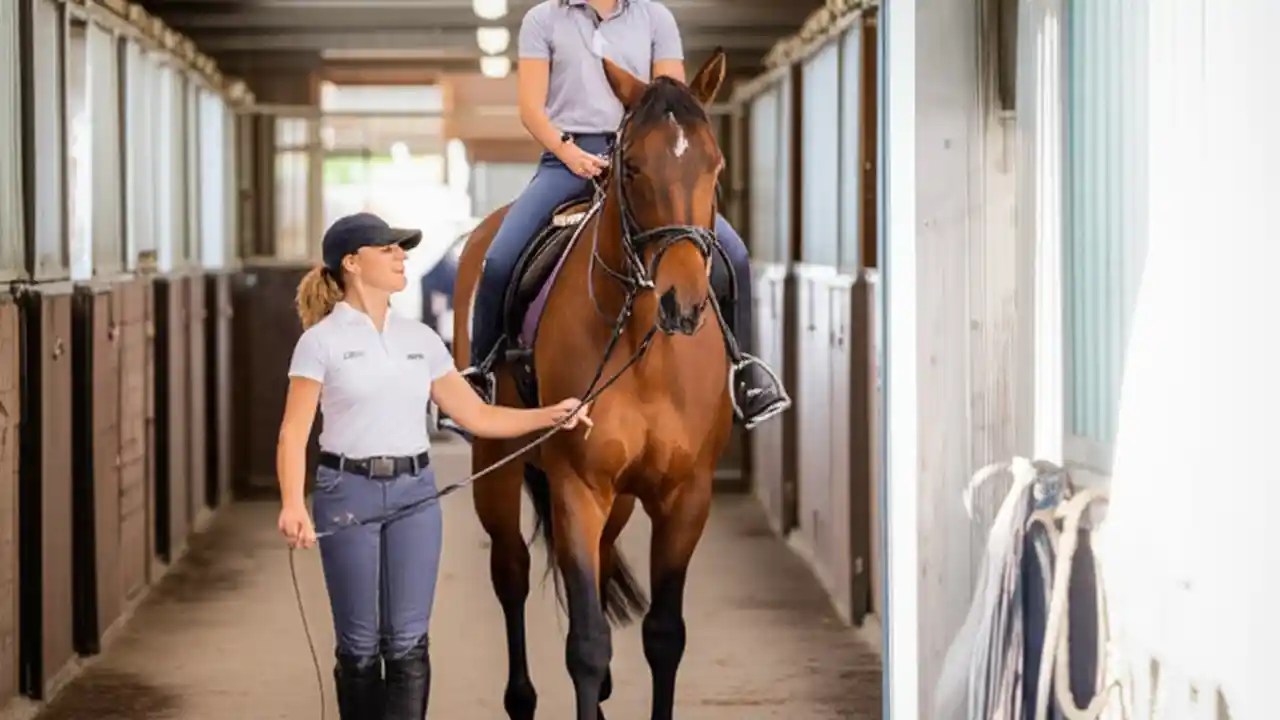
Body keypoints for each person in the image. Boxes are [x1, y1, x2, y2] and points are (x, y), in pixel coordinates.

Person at [275, 212, 591, 719]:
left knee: (407, 640)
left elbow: (476, 415)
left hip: (415, 492)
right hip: (347, 492)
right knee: (359, 644)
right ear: (352, 264)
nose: (402, 256)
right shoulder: (320, 342)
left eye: (402, 249)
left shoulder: (419, 339)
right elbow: (294, 433)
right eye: (389, 249)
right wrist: (293, 503)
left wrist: (548, 416)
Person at [462, 0, 789, 428]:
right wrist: (568, 153)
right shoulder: (542, 20)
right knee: (500, 258)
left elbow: (670, 101)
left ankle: (745, 372)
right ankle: (481, 374)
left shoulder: (655, 18)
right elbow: (530, 108)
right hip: (566, 159)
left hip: (645, 160)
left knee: (735, 255)